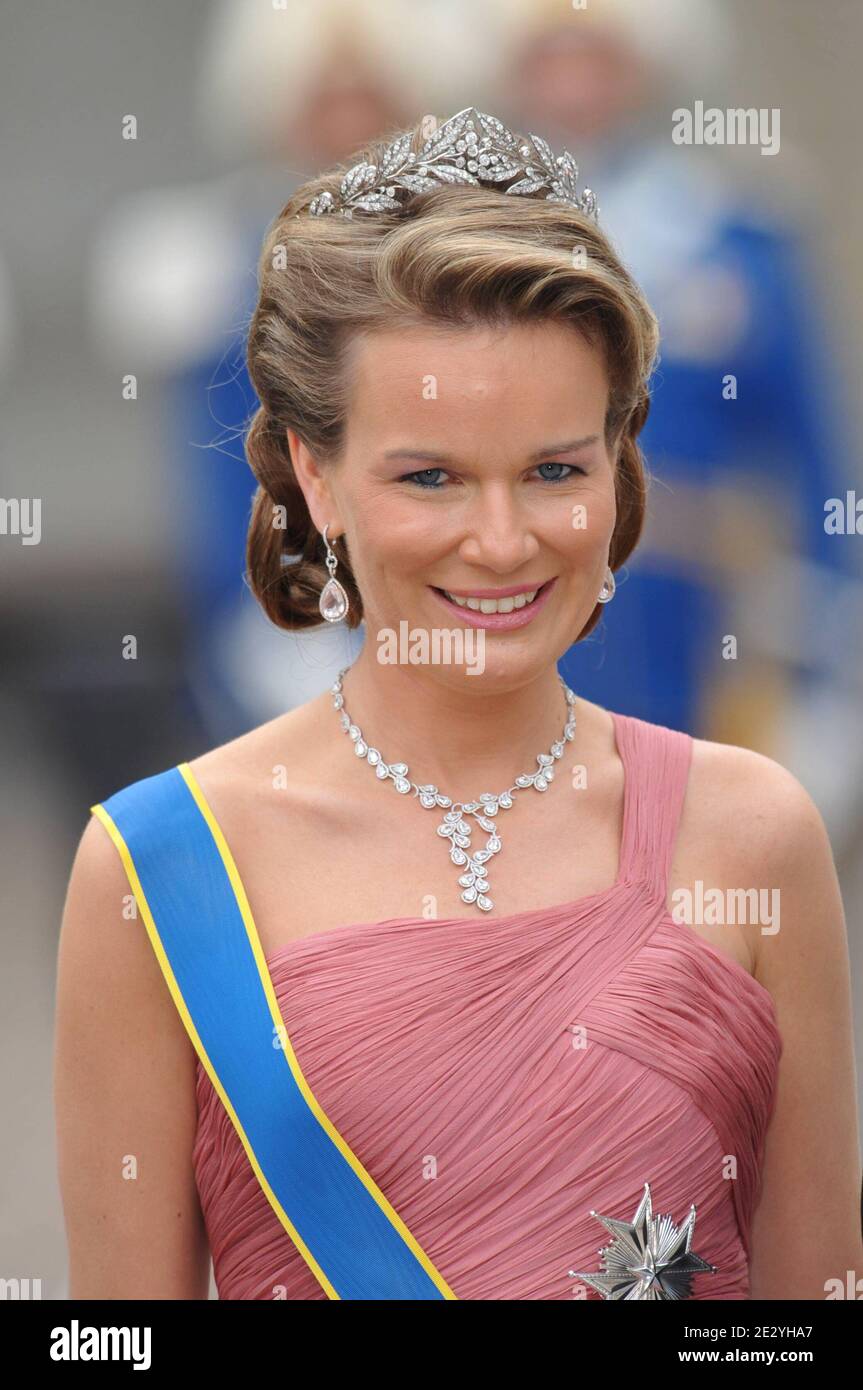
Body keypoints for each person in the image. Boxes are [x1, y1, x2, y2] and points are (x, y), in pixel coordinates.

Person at [55, 107, 862, 1300]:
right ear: (313, 475)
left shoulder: (751, 831)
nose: (501, 541)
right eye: (429, 475)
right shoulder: (161, 865)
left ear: (618, 462)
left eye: (553, 470)